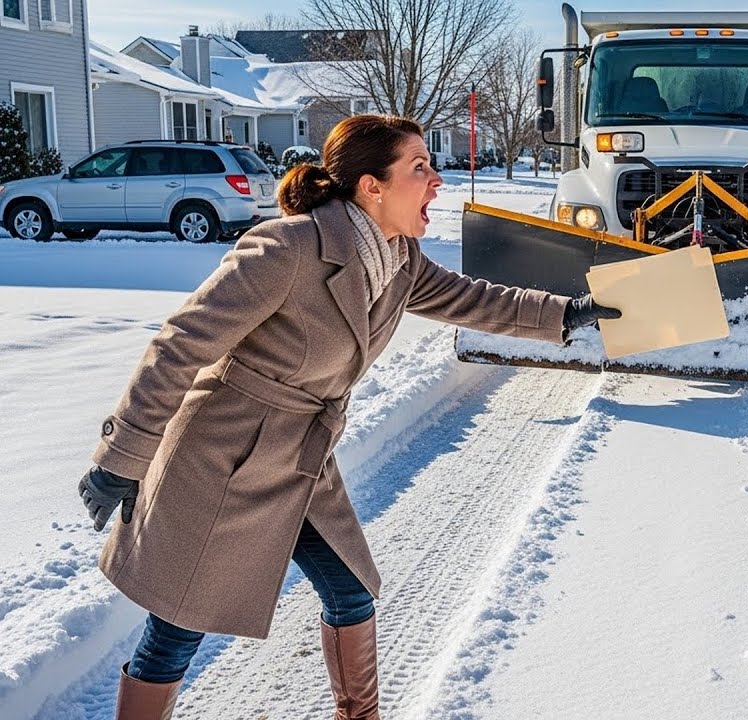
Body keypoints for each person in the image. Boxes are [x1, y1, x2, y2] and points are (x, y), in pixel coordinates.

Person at [77, 114, 619, 720]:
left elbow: (474, 298)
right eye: (420, 167)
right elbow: (181, 345)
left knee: (351, 592)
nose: (436, 180)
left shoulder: (398, 258)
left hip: (302, 453)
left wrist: (569, 313)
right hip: (224, 455)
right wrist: (121, 458)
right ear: (371, 187)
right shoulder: (286, 249)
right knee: (181, 620)